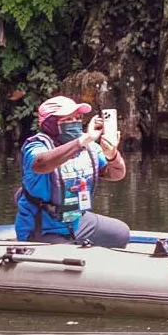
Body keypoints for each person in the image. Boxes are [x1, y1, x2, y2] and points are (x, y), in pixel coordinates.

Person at [15, 95, 130, 247]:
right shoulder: (36, 146)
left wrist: (111, 155)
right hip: (42, 228)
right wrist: (84, 140)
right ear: (50, 124)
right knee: (68, 256)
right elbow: (42, 164)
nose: (74, 123)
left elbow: (117, 174)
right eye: (67, 119)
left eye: (77, 118)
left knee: (120, 233)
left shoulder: (89, 146)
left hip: (76, 221)